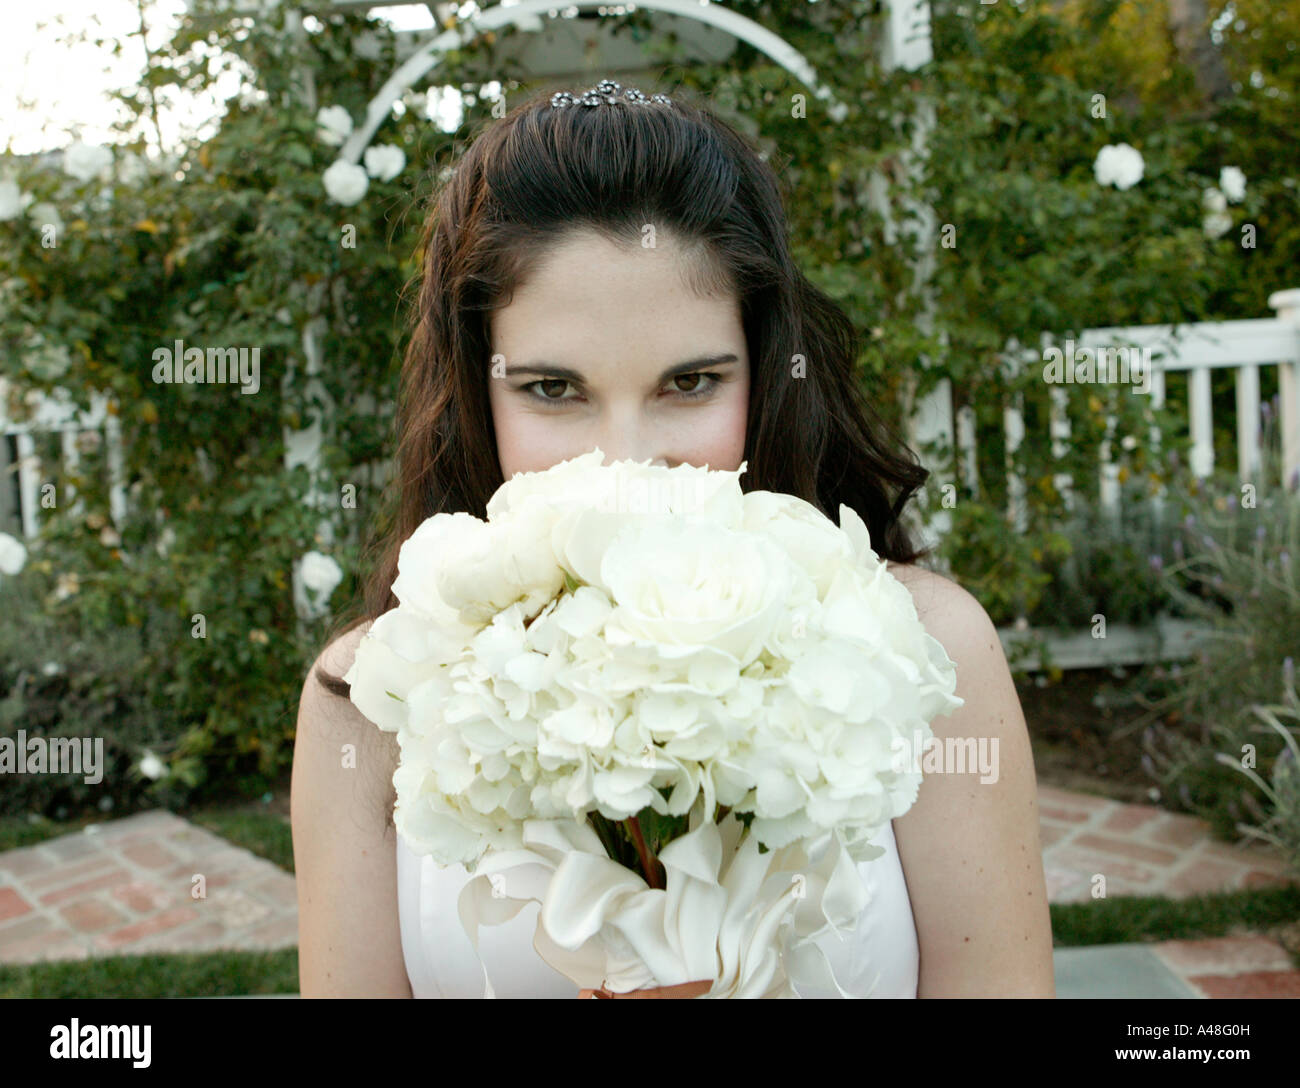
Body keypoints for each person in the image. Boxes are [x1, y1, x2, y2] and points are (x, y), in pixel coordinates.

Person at [291, 79, 1055, 998]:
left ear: (767, 374)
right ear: (474, 394)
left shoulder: (929, 653)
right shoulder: (365, 700)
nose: (627, 466)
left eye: (689, 383)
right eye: (552, 389)